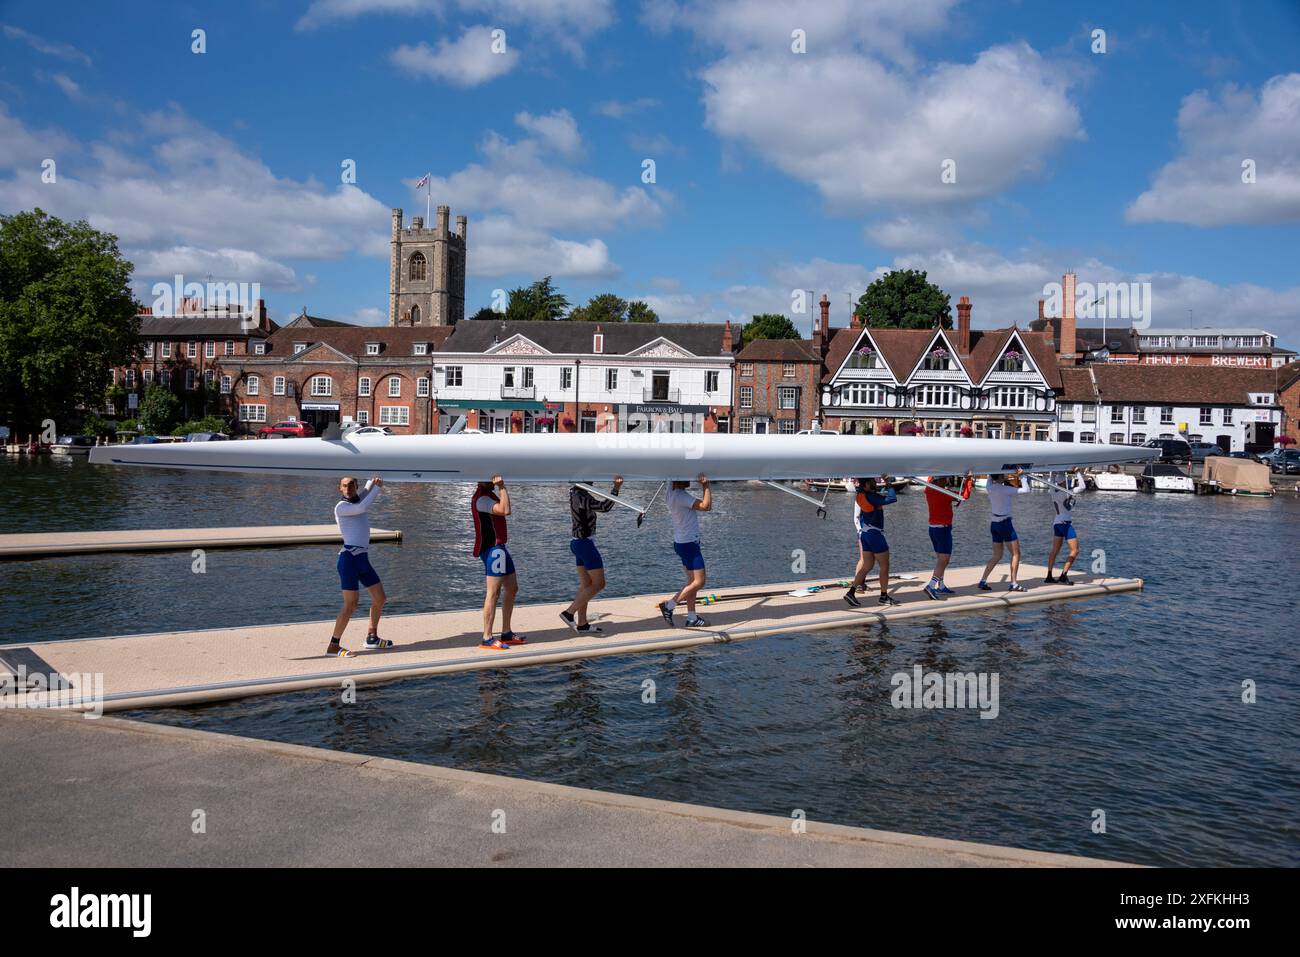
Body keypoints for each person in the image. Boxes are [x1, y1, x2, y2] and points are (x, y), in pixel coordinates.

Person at [328, 475, 391, 657]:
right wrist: (378, 488)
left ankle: (372, 637)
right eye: (345, 486)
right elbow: (362, 506)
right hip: (348, 560)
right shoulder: (342, 507)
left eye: (352, 485)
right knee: (351, 605)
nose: (348, 488)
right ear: (340, 489)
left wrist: (372, 481)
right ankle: (333, 646)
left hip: (362, 559)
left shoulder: (356, 500)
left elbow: (363, 495)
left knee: (380, 598)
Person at [561, 476, 624, 634]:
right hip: (585, 545)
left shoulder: (576, 493)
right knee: (599, 584)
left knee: (586, 585)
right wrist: (616, 488)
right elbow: (604, 507)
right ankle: (569, 613)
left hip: (577, 543)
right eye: (591, 480)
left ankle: (582, 624)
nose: (593, 482)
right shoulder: (581, 496)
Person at [473, 476, 526, 651]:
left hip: (500, 548)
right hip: (493, 550)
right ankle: (486, 637)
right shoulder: (482, 499)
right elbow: (505, 510)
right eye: (491, 480)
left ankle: (506, 632)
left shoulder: (488, 495)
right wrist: (502, 486)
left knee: (512, 588)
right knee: (493, 593)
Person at [658, 475, 712, 628]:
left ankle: (692, 617)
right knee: (699, 582)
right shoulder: (681, 496)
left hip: (681, 543)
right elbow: (706, 506)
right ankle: (669, 606)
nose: (690, 479)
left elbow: (669, 473)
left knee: (691, 583)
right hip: (689, 544)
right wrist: (706, 485)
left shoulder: (669, 492)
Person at [845, 476, 900, 607]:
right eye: (873, 481)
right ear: (867, 484)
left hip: (865, 533)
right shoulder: (872, 497)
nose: (875, 483)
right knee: (884, 566)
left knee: (867, 566)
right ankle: (883, 596)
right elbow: (892, 498)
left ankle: (851, 593)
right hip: (875, 534)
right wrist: (889, 484)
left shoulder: (860, 495)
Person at [923, 470, 974, 599]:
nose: (947, 481)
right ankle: (931, 585)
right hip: (943, 529)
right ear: (940, 481)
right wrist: (968, 480)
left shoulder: (928, 490)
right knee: (944, 560)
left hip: (932, 529)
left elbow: (930, 478)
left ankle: (940, 585)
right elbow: (964, 496)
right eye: (945, 479)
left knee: (940, 558)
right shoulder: (945, 493)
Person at [979, 468, 1032, 592]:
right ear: (1000, 477)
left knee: (997, 555)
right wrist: (1022, 476)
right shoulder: (1005, 489)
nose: (1006, 475)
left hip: (994, 524)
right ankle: (1013, 583)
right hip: (1005, 524)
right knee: (1016, 554)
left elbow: (990, 478)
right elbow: (1026, 490)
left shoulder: (990, 488)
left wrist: (993, 468)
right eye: (1003, 474)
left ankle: (983, 580)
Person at [1046, 469, 1087, 584]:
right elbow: (1083, 486)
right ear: (1064, 482)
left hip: (1057, 523)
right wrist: (1078, 472)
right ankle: (1063, 575)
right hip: (1065, 524)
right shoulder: (1067, 492)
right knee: (1075, 550)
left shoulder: (1053, 492)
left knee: (1054, 550)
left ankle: (1049, 575)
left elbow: (1052, 480)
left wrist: (1052, 472)